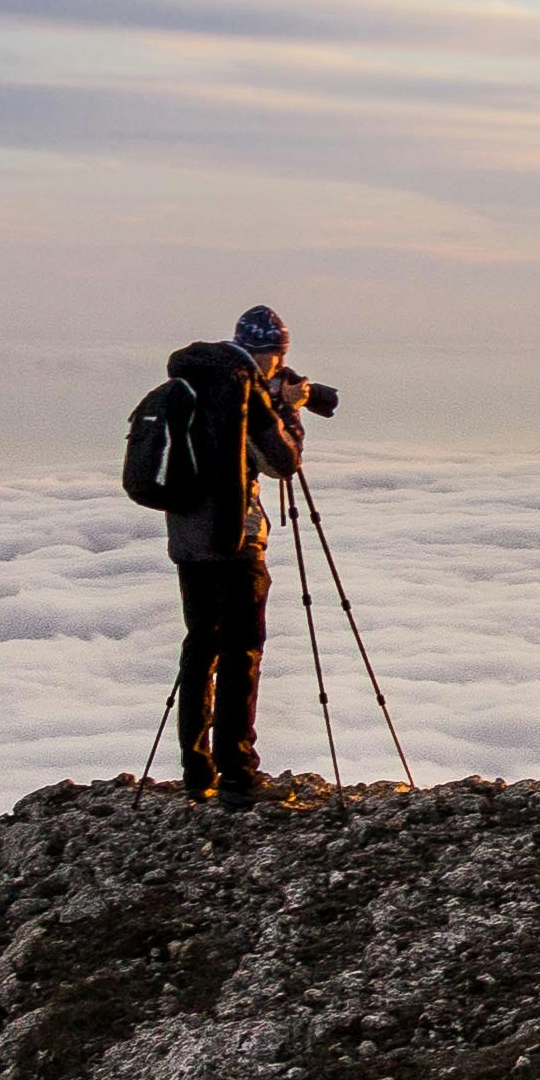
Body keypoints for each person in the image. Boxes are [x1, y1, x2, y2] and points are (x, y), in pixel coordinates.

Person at [161, 303, 315, 805]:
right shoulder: (243, 392)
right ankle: (238, 775)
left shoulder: (192, 384)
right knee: (241, 652)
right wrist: (287, 407)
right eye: (278, 357)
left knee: (201, 644)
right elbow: (282, 461)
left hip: (188, 538)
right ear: (271, 355)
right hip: (237, 541)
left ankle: (196, 768)